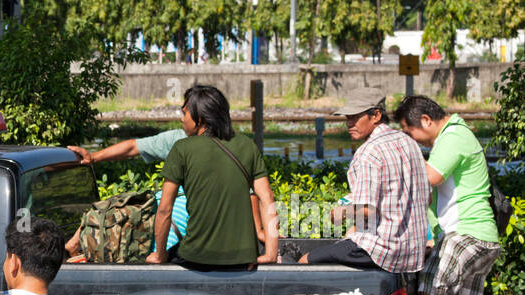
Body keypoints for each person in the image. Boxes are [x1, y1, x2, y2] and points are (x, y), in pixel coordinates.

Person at [396, 95, 501, 295]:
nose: (410, 138)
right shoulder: (457, 135)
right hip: (484, 238)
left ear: (426, 121)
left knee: (431, 284)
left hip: (466, 233)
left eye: (408, 130)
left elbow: (428, 178)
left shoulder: (453, 135)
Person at [67, 127, 265, 258]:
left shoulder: (225, 148)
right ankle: (75, 247)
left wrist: (258, 231)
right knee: (109, 212)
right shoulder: (178, 138)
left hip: (171, 226)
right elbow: (133, 147)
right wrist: (93, 157)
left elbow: (251, 194)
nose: (182, 118)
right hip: (153, 216)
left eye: (185, 113)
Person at [146, 84, 279, 268]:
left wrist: (160, 255)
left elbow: (164, 209)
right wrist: (271, 253)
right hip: (242, 257)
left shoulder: (182, 149)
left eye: (185, 114)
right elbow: (267, 199)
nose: (182, 120)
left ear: (200, 118)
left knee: (154, 258)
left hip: (196, 255)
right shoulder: (247, 145)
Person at [297, 89, 428, 270]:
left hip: (383, 249)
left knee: (304, 261)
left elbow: (367, 210)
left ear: (375, 115)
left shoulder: (369, 152)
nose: (349, 124)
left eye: (355, 117)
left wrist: (341, 212)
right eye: (347, 118)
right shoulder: (409, 142)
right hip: (414, 249)